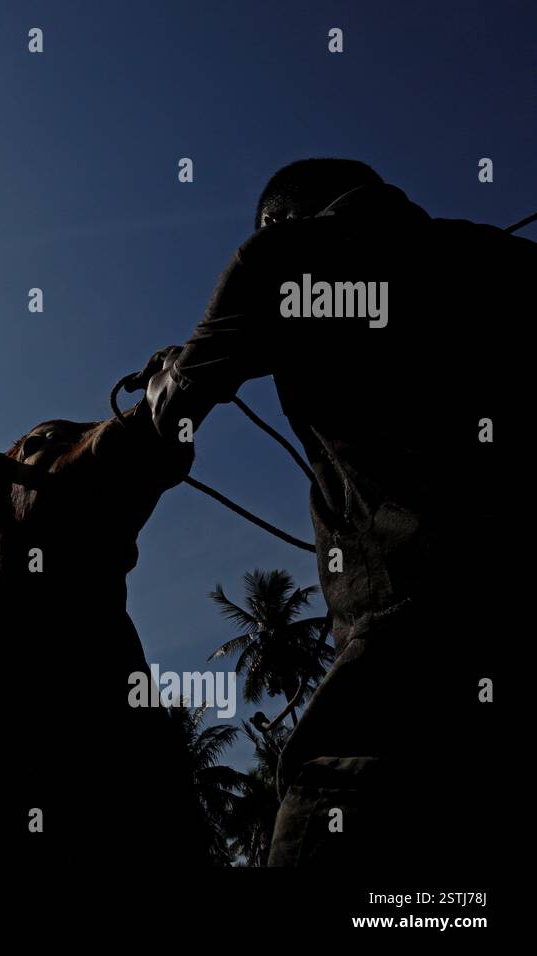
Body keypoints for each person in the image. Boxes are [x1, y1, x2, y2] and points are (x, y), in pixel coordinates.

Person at [139, 159, 531, 866]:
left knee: (329, 813)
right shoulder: (502, 255)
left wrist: (172, 373)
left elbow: (177, 409)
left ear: (284, 218)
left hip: (420, 636)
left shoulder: (283, 255)